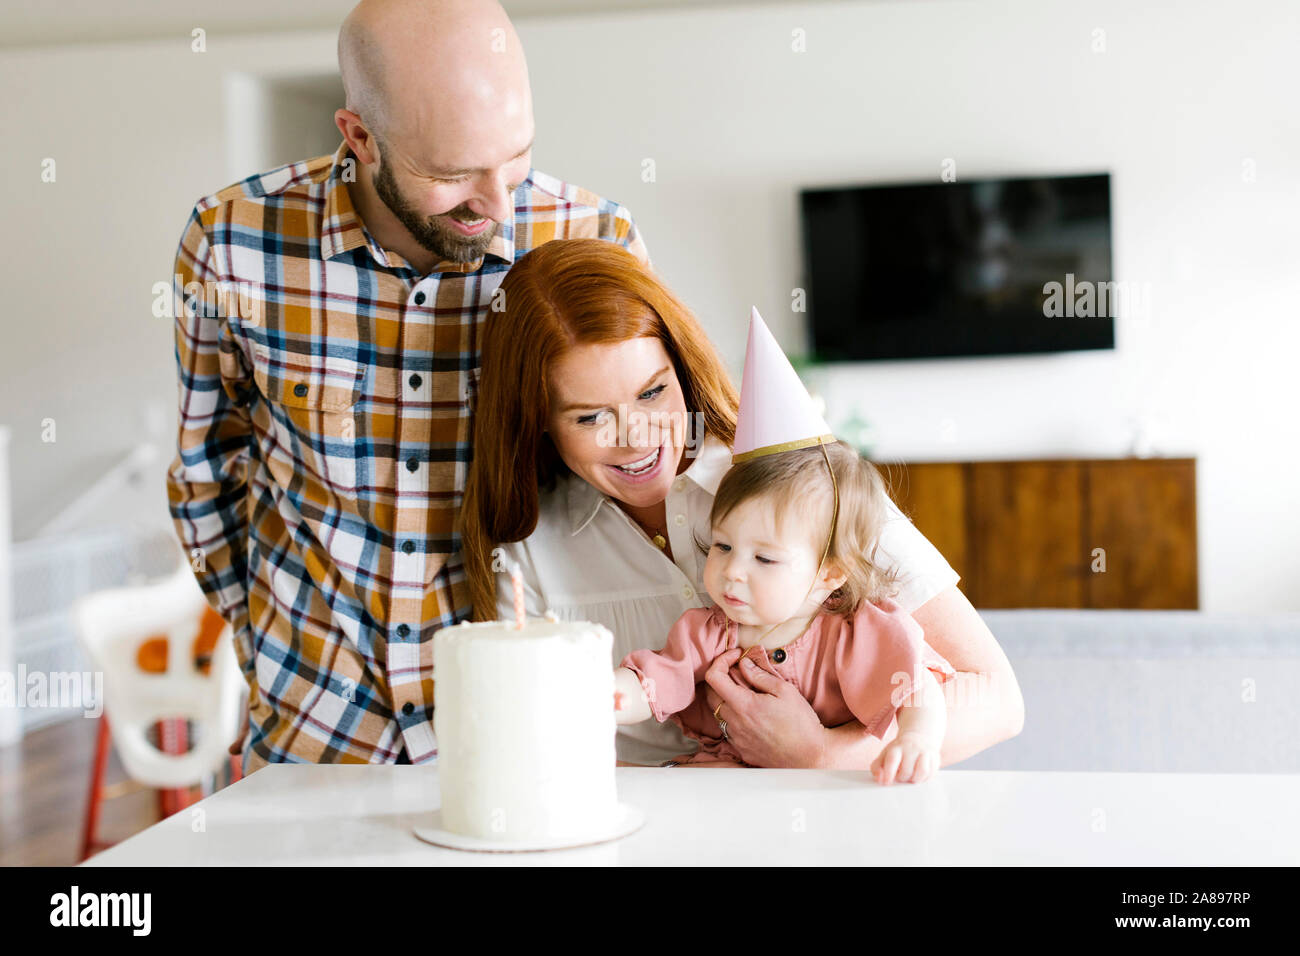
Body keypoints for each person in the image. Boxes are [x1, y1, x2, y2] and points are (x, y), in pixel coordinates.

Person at [165, 0, 648, 772]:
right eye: (453, 175)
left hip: (526, 732)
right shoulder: (232, 243)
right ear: (359, 136)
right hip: (313, 730)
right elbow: (207, 470)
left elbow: (647, 487)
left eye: (516, 156)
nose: (498, 205)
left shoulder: (593, 238)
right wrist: (262, 636)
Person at [462, 238, 1025, 769]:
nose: (636, 437)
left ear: (680, 371)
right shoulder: (530, 550)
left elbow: (997, 698)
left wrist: (820, 756)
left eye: (653, 392)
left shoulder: (805, 493)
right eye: (589, 416)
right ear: (538, 421)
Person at [615, 442, 954, 784]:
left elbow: (917, 688)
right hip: (729, 785)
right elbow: (652, 681)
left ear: (831, 573)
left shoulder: (854, 633)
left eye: (764, 558)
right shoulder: (708, 632)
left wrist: (916, 739)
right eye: (723, 546)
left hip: (826, 792)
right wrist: (605, 697)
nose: (733, 570)